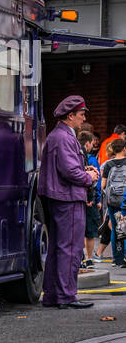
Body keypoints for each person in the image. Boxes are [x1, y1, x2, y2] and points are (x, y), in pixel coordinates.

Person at [38, 95, 98, 308]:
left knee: (58, 247)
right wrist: (88, 177)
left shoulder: (57, 136)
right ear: (70, 115)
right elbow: (70, 170)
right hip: (68, 198)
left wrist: (82, 171)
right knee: (70, 249)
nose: (83, 119)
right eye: (81, 115)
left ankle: (54, 295)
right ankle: (66, 295)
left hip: (59, 197)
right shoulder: (65, 137)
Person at [101, 137, 126, 268]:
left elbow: (103, 185)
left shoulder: (108, 164)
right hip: (125, 202)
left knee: (116, 229)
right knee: (125, 228)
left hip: (113, 202)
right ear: (124, 149)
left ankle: (117, 259)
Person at [79, 131, 102, 266]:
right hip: (89, 199)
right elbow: (96, 182)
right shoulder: (91, 159)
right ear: (88, 143)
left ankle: (80, 256)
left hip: (79, 198)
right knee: (90, 231)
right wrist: (97, 199)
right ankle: (88, 258)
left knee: (80, 229)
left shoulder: (75, 155)